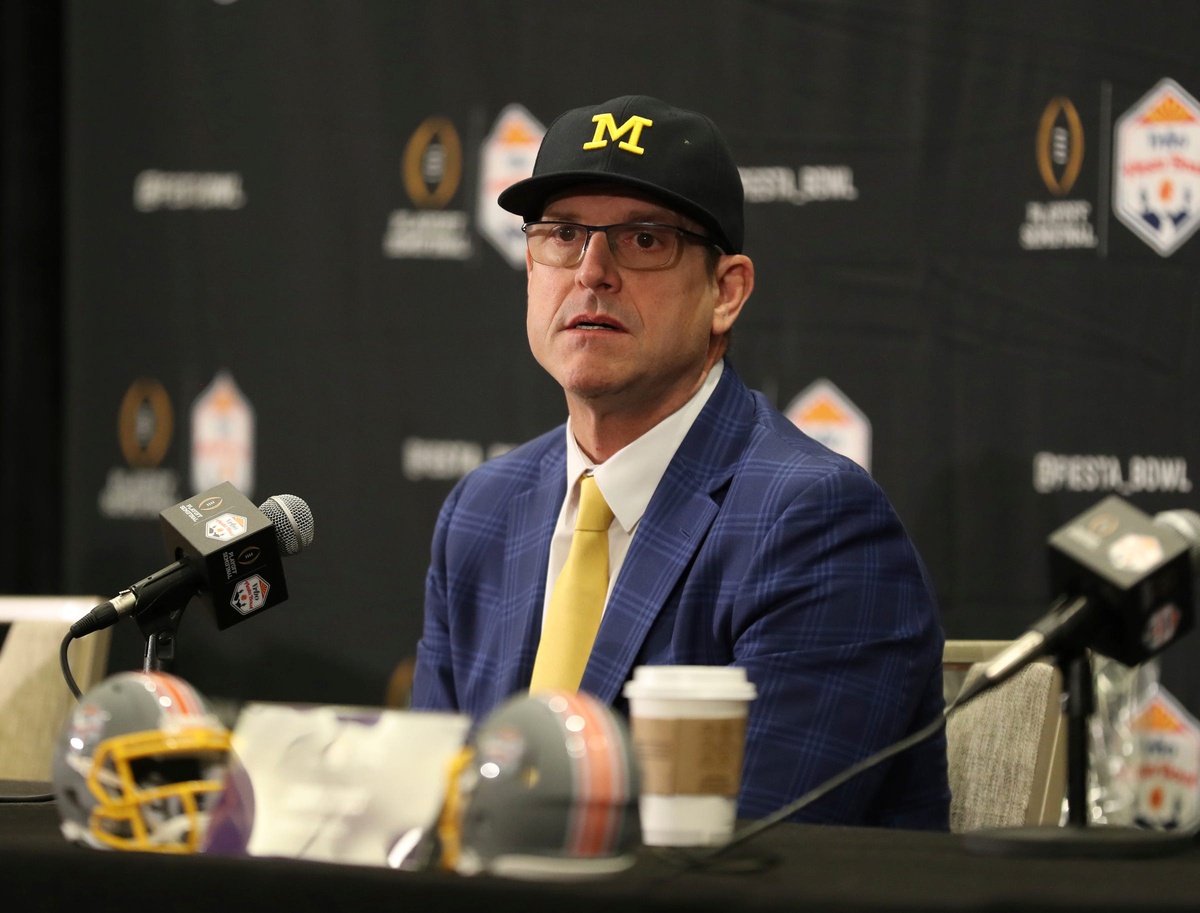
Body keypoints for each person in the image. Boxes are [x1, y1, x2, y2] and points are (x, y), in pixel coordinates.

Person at [411, 95, 950, 829]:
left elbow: (746, 854)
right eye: (563, 234)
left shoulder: (817, 525)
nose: (592, 272)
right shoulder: (482, 510)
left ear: (725, 292)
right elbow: (427, 810)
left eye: (643, 240)